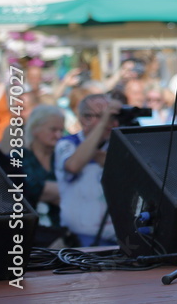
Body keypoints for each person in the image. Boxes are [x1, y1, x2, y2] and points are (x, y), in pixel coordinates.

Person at [55, 93, 120, 247]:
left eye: (112, 117)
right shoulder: (68, 143)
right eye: (102, 116)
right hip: (80, 238)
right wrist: (103, 123)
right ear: (84, 118)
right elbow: (73, 165)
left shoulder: (119, 144)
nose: (109, 122)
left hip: (117, 236)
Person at [21, 104, 65, 228]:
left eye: (61, 130)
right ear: (35, 129)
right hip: (31, 231)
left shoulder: (62, 157)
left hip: (65, 229)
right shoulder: (19, 157)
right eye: (53, 130)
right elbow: (32, 191)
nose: (58, 135)